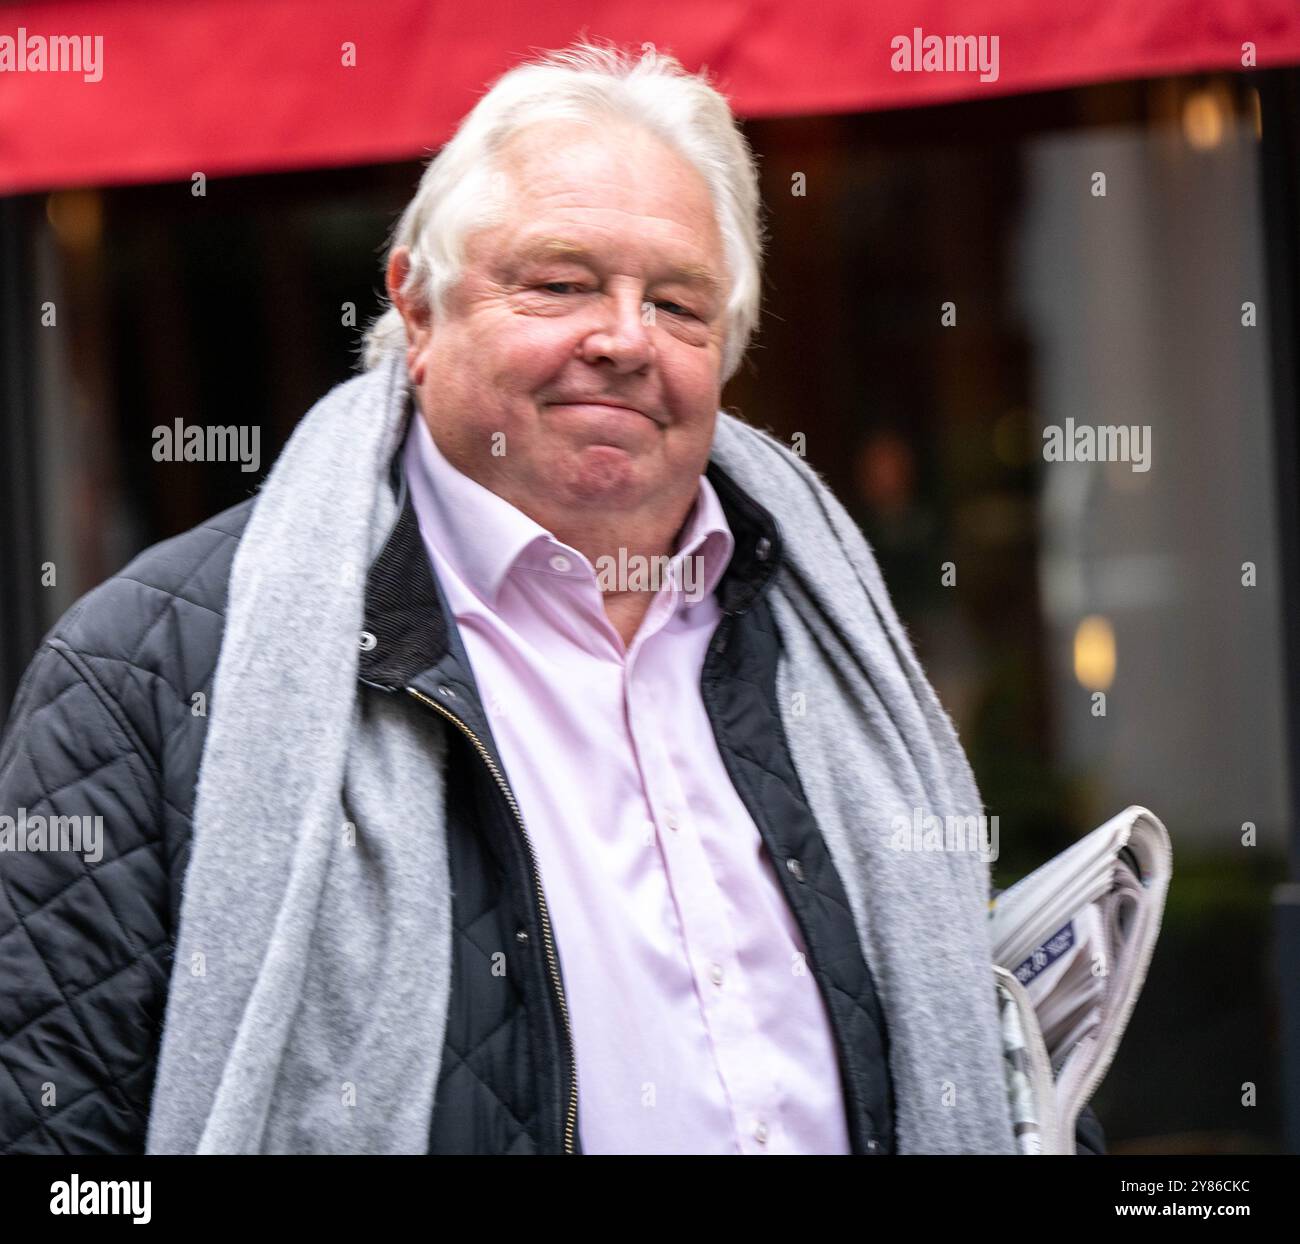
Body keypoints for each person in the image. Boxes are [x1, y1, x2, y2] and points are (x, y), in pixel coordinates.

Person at [0, 40, 1104, 1155]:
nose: (623, 339)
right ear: (417, 308)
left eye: (677, 304)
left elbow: (992, 1055)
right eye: (560, 282)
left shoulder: (827, 633)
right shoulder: (150, 668)